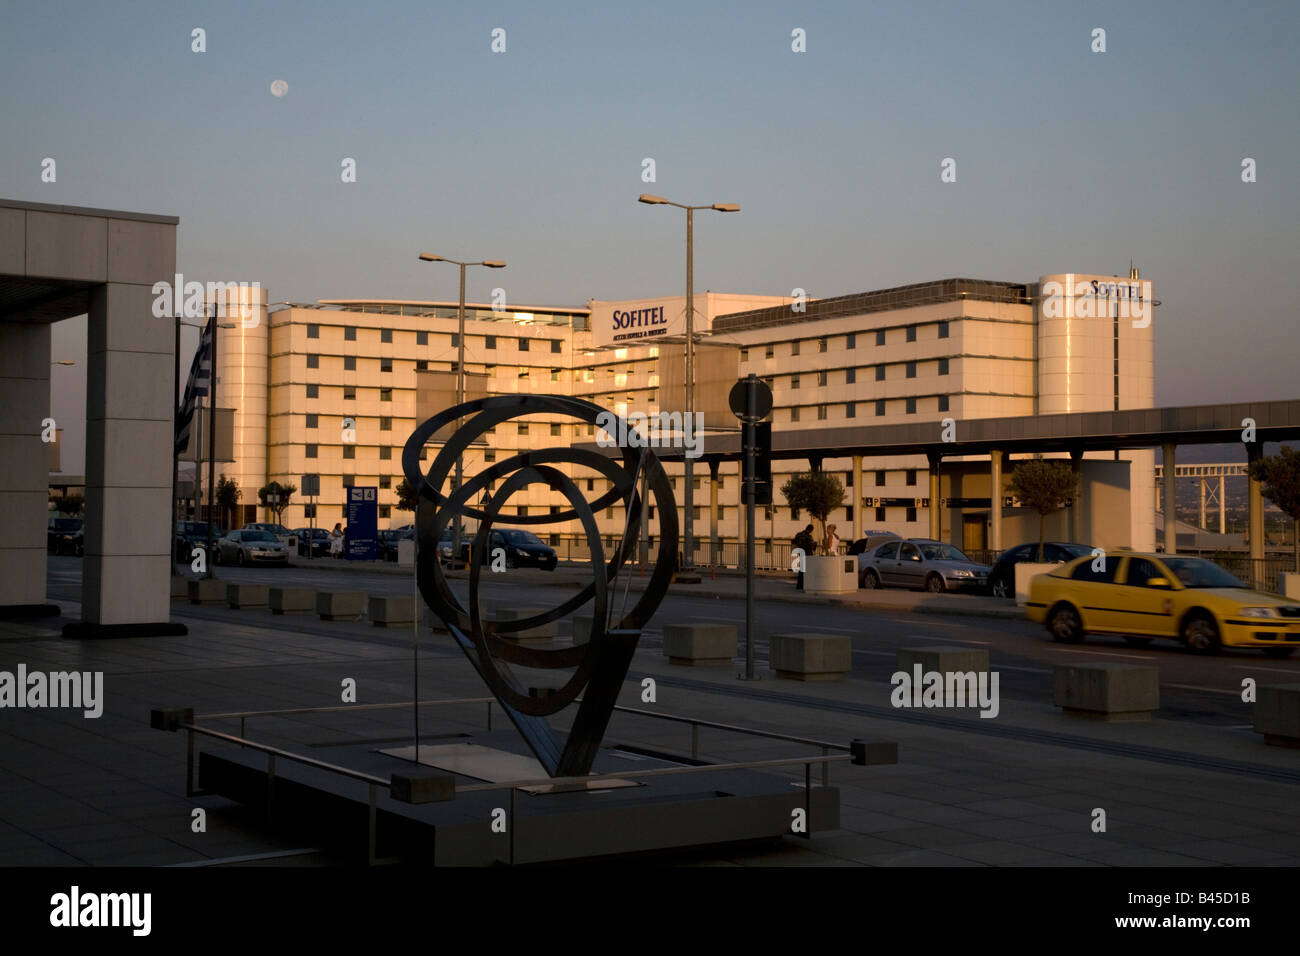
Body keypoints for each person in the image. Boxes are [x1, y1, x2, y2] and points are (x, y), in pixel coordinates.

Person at [792, 524, 815, 590]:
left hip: (800, 552)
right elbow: (812, 547)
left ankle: (799, 585)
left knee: (801, 570)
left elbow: (795, 542)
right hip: (807, 554)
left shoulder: (798, 534)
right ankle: (804, 585)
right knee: (806, 570)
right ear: (811, 530)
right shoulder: (809, 537)